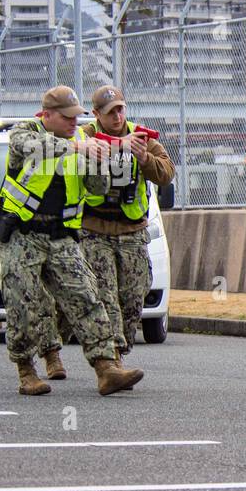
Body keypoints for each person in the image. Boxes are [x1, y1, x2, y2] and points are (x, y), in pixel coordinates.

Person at [0, 85, 143, 396]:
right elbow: (30, 146)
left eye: (77, 117)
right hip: (23, 233)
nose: (74, 123)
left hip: (62, 237)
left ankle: (106, 369)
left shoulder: (81, 143)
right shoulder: (27, 133)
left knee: (88, 298)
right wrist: (81, 149)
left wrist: (102, 160)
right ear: (47, 115)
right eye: (67, 118)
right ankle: (26, 370)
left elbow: (97, 188)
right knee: (22, 303)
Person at [78, 84, 175, 354]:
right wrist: (114, 146)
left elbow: (167, 172)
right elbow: (70, 151)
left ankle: (121, 351)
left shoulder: (142, 137)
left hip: (132, 231)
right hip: (95, 231)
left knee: (133, 298)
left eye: (120, 110)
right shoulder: (86, 136)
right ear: (97, 114)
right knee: (105, 297)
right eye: (110, 112)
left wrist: (145, 158)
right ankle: (110, 359)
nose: (117, 117)